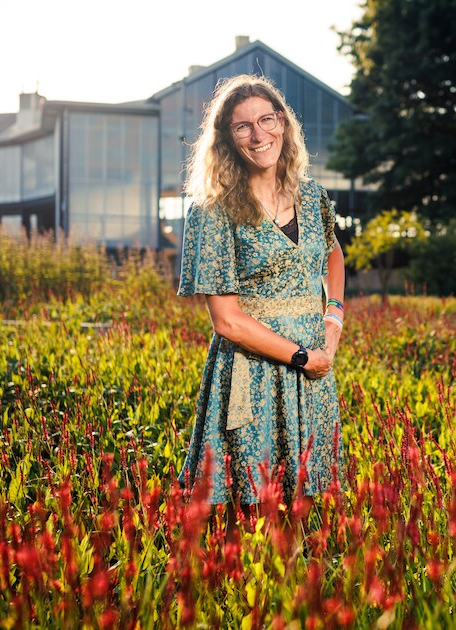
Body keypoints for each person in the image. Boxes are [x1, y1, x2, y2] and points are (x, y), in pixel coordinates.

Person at [177, 74, 346, 508]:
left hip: (313, 371)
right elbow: (227, 321)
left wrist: (333, 317)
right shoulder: (212, 212)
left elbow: (333, 253)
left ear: (282, 124)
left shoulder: (312, 197)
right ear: (227, 138)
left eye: (266, 120)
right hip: (252, 373)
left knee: (310, 505)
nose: (258, 135)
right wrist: (302, 356)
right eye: (243, 126)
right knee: (251, 508)